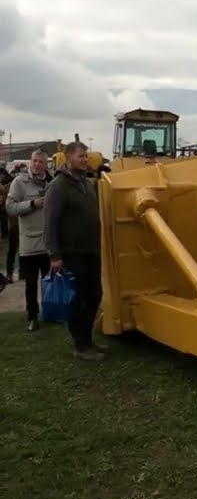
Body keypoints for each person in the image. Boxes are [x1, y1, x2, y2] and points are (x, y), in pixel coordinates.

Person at [44, 142, 107, 361]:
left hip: (91, 250)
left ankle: (87, 340)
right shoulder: (59, 186)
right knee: (79, 299)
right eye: (81, 156)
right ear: (68, 158)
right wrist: (54, 255)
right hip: (72, 252)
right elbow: (50, 222)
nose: (85, 159)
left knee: (94, 295)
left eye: (86, 156)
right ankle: (81, 346)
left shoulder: (86, 183)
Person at [7, 150, 55, 330]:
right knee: (31, 283)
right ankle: (32, 316)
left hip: (49, 242)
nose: (37, 164)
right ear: (30, 162)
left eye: (41, 162)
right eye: (34, 161)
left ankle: (51, 311)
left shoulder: (52, 183)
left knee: (51, 281)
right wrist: (33, 204)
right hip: (29, 242)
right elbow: (10, 207)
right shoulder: (19, 182)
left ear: (46, 164)